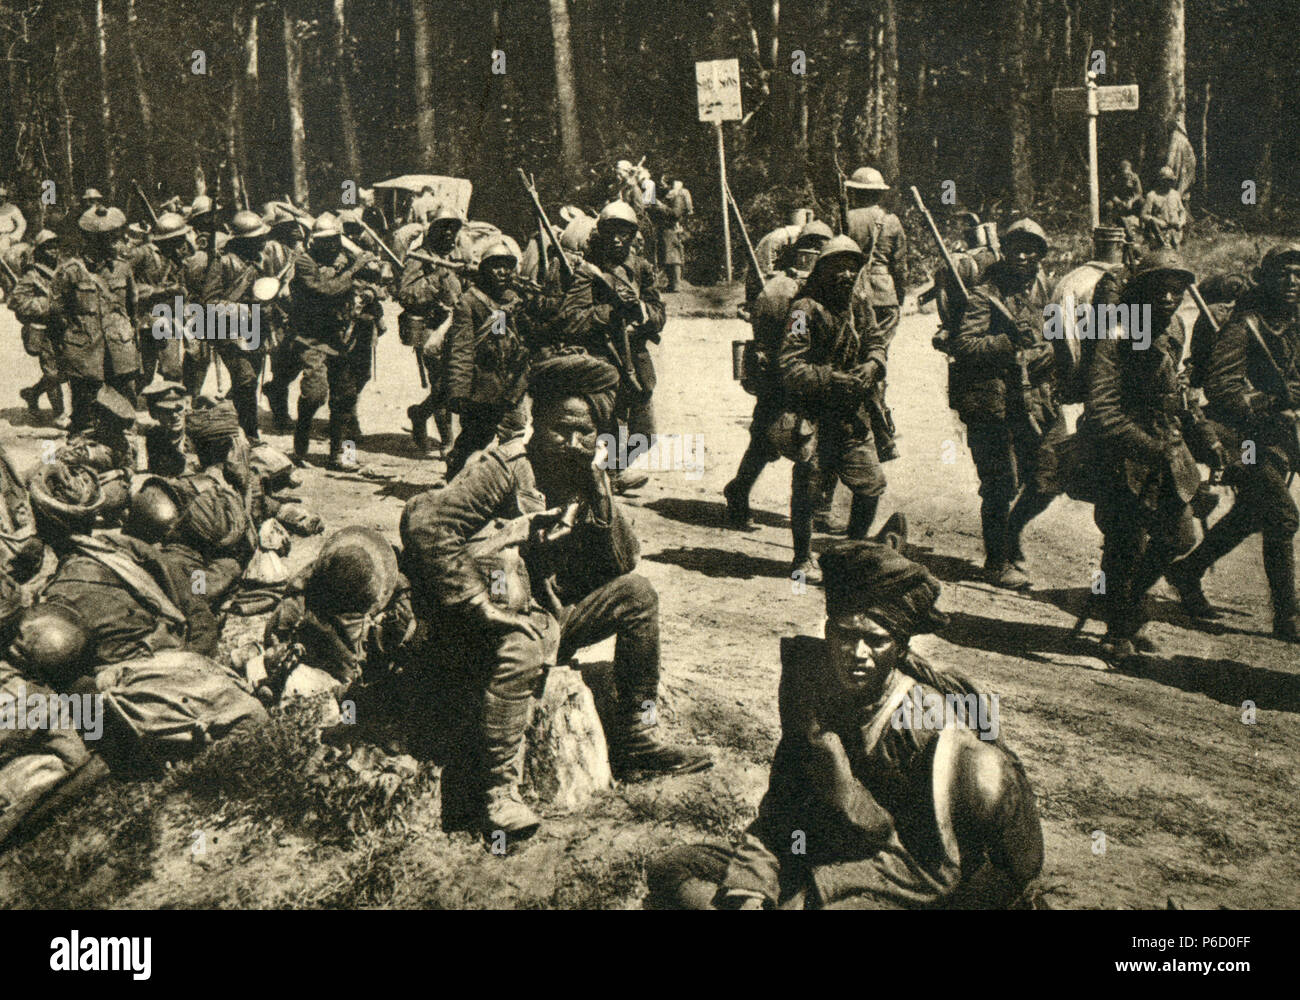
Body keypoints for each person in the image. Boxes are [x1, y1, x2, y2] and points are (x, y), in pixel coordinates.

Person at [400, 354, 711, 839]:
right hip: (477, 625)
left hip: (546, 614)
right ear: (535, 423)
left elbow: (622, 563)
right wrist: (478, 604)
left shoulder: (584, 470)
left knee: (639, 596)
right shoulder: (504, 468)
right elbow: (427, 525)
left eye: (585, 431)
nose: (571, 441)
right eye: (559, 429)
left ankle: (636, 736)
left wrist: (599, 494)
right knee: (522, 644)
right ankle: (497, 794)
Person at [646, 539, 1043, 909]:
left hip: (894, 879)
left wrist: (818, 889)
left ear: (902, 646)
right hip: (818, 850)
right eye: (843, 635)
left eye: (876, 640)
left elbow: (941, 866)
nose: (857, 654)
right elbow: (782, 810)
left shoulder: (928, 728)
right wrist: (750, 889)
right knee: (675, 868)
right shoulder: (812, 690)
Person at [1081, 251, 1214, 661]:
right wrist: (1149, 447)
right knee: (1126, 542)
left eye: (1178, 288)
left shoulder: (1174, 326)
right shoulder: (1115, 331)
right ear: (1140, 288)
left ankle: (1127, 609)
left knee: (1179, 536)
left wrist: (1201, 432)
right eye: (1161, 287)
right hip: (1122, 453)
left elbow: (1177, 390)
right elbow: (1102, 409)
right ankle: (1119, 630)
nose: (1171, 296)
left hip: (1166, 448)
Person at [1167, 244, 1300, 643]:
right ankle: (1287, 617)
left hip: (1273, 434)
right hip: (1233, 435)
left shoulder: (1293, 322)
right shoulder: (1245, 325)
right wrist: (1277, 398)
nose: (1293, 283)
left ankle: (1187, 572)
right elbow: (1221, 391)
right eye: (1283, 275)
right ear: (1265, 279)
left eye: (1299, 275)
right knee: (1282, 515)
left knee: (1255, 511)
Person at [950, 219, 1066, 589]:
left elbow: (1057, 335)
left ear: (1040, 255)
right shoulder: (986, 295)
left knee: (1051, 474)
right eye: (1016, 246)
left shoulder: (1045, 289)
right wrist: (1006, 341)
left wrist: (1050, 349)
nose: (1022, 254)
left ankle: (1011, 531)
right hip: (993, 401)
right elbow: (965, 346)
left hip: (1039, 399)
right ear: (1005, 250)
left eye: (1031, 248)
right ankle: (997, 560)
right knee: (1000, 483)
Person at [779, 235, 895, 580]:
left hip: (851, 414)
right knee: (809, 487)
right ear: (822, 270)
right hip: (814, 413)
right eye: (837, 267)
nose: (845, 275)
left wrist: (873, 363)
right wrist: (831, 378)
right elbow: (789, 364)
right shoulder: (803, 310)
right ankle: (802, 558)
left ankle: (852, 551)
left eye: (851, 267)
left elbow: (876, 340)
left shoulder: (859, 303)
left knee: (871, 484)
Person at [548, 201, 664, 494]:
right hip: (601, 353)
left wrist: (642, 312)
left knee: (646, 433)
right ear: (601, 233)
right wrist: (609, 315)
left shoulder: (640, 267)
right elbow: (570, 319)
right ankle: (606, 476)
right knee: (606, 423)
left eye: (624, 232)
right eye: (611, 231)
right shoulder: (586, 268)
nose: (617, 238)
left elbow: (658, 311)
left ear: (632, 234)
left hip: (635, 355)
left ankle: (614, 469)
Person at [724, 219, 832, 530]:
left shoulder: (779, 285)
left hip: (791, 374)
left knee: (796, 439)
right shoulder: (787, 290)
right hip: (785, 376)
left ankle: (819, 507)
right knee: (767, 440)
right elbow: (791, 336)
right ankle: (740, 491)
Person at [286, 213, 380, 470]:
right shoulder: (304, 262)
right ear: (314, 241)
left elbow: (373, 282)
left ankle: (342, 455)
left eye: (334, 239)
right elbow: (325, 291)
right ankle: (301, 439)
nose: (330, 245)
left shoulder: (347, 259)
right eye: (324, 240)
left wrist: (370, 289)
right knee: (315, 394)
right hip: (312, 338)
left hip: (342, 338)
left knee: (346, 398)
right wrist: (354, 270)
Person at [47, 204, 141, 434]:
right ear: (88, 239)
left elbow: (132, 310)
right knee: (84, 414)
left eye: (113, 237)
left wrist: (131, 343)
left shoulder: (122, 269)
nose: (111, 243)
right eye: (104, 238)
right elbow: (56, 314)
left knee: (125, 411)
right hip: (85, 354)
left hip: (119, 350)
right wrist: (70, 347)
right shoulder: (70, 271)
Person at [444, 238, 532, 477]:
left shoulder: (516, 299)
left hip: (512, 381)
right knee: (475, 438)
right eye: (496, 266)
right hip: (482, 385)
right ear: (484, 269)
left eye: (507, 266)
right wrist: (459, 391)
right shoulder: (470, 302)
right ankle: (455, 477)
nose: (502, 272)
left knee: (513, 434)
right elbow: (461, 349)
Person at [845, 167, 905, 463]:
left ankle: (866, 421)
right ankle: (882, 429)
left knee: (855, 358)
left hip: (854, 292)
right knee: (878, 358)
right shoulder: (891, 221)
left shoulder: (845, 218)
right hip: (884, 295)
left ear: (854, 191)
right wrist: (899, 297)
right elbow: (900, 266)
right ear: (879, 193)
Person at [201, 209, 274, 442]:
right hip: (229, 332)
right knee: (246, 380)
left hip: (256, 331)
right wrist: (245, 309)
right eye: (257, 239)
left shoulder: (261, 262)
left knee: (247, 383)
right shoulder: (221, 262)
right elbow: (210, 301)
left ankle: (225, 421)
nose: (262, 242)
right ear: (243, 241)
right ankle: (250, 433)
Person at [399, 206, 467, 454]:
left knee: (454, 384)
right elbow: (405, 294)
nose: (449, 233)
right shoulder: (420, 257)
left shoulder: (459, 255)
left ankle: (419, 413)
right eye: (443, 227)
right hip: (430, 326)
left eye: (453, 228)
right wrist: (434, 278)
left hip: (458, 326)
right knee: (441, 384)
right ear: (433, 230)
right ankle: (448, 442)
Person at [131, 211, 193, 397]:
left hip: (170, 318)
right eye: (179, 237)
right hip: (146, 319)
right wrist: (157, 291)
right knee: (144, 372)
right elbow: (125, 282)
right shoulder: (142, 253)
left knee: (172, 369)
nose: (183, 241)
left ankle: (171, 405)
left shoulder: (175, 256)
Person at [9, 229, 67, 424]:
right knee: (52, 372)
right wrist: (46, 305)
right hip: (42, 330)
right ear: (40, 251)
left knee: (65, 371)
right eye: (48, 248)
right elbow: (16, 301)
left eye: (56, 247)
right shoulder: (31, 276)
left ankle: (32, 393)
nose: (54, 252)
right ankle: (59, 413)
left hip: (62, 328)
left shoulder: (63, 270)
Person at [654, 176, 693, 292]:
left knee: (673, 257)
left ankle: (676, 284)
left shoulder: (677, 197)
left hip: (672, 229)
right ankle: (672, 283)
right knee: (667, 256)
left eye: (663, 183)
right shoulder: (670, 196)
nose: (661, 185)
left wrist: (661, 207)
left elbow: (676, 213)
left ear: (670, 184)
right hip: (666, 229)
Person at [1140, 167, 1185, 250]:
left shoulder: (1175, 194)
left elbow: (1182, 211)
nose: (1169, 183)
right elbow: (1143, 215)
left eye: (1171, 180)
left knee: (1177, 256)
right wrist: (1157, 221)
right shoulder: (1152, 195)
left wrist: (1181, 222)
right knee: (1162, 256)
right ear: (1160, 181)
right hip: (1158, 233)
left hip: (1175, 231)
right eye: (1167, 180)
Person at [0, 182, 26, 250]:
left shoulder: (12, 208)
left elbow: (22, 223)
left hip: (5, 238)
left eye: (1, 197)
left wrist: (15, 237)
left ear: (5, 198)